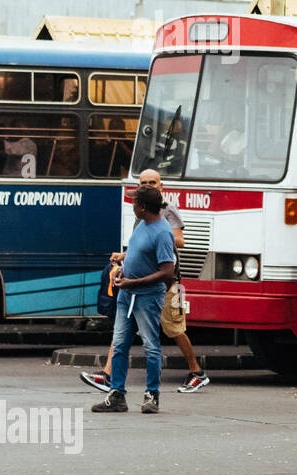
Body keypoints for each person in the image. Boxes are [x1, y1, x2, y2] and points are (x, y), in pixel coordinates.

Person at [80, 169, 209, 394]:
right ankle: (107, 376)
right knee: (122, 332)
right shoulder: (141, 215)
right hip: (137, 285)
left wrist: (159, 231)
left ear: (161, 187)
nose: (147, 186)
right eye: (143, 183)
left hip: (165, 285)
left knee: (174, 330)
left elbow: (179, 240)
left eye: (152, 182)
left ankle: (195, 372)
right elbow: (138, 246)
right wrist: (123, 259)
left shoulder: (166, 212)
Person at [91, 185, 174, 414]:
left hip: (147, 298)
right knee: (119, 344)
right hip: (126, 295)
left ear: (144, 207)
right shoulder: (141, 225)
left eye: (135, 202)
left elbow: (167, 272)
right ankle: (117, 394)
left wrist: (133, 283)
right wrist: (122, 272)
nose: (132, 204)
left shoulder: (162, 232)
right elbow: (136, 255)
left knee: (150, 345)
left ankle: (152, 395)